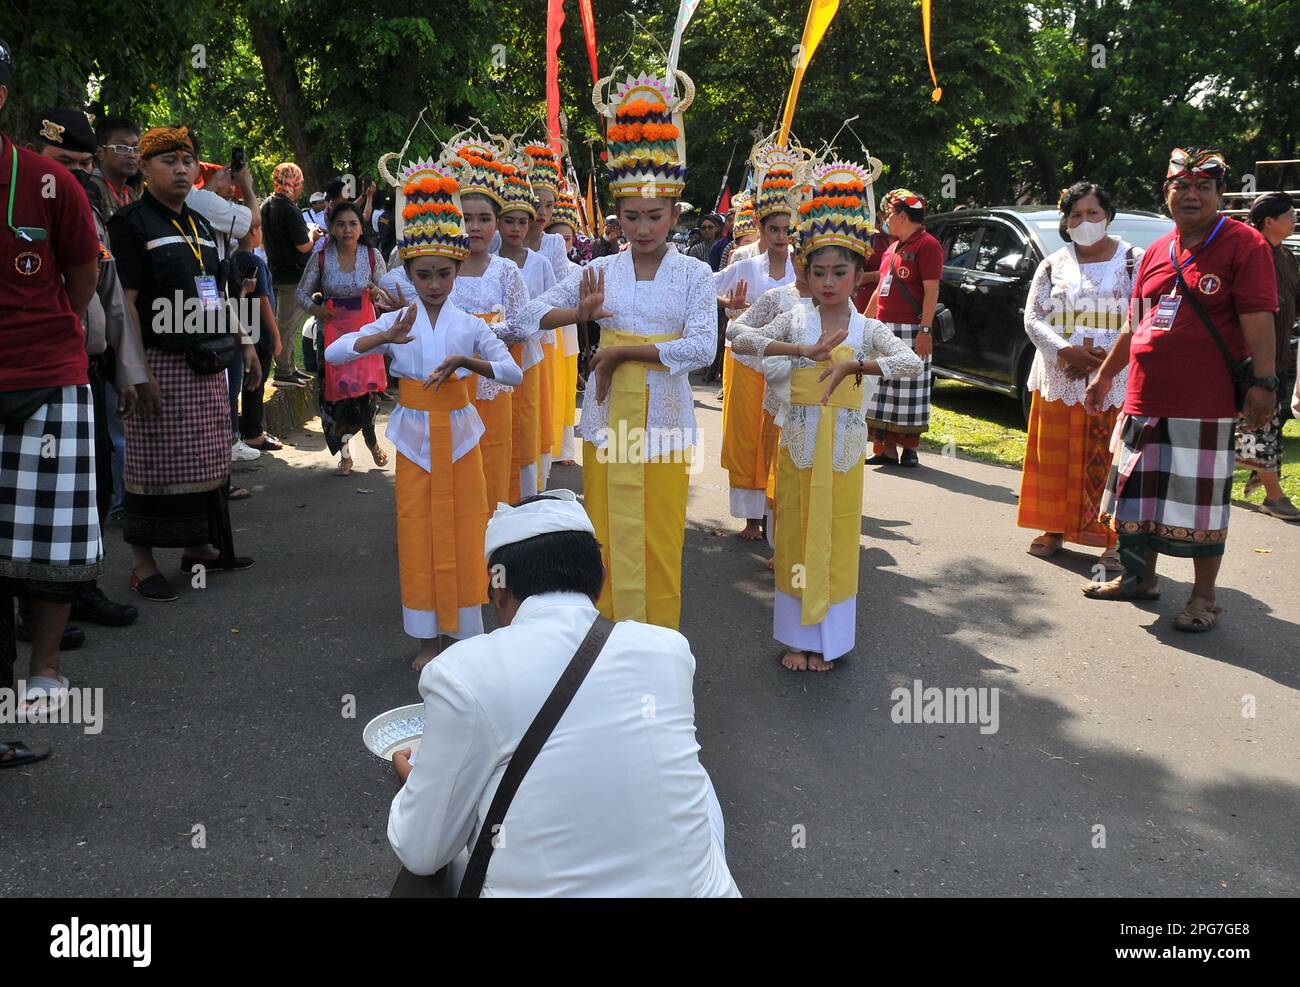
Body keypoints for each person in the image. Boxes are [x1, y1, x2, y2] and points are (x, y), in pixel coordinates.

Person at [387, 491, 740, 897]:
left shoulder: (461, 672)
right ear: (602, 580)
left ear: (499, 593)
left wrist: (412, 786)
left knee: (459, 807)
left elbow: (421, 851)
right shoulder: (668, 650)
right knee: (695, 777)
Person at [521, 65, 715, 630]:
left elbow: (702, 346)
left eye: (655, 216)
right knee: (606, 527)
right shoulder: (600, 269)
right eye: (631, 216)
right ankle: (605, 641)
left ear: (675, 214)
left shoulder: (695, 276)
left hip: (665, 420)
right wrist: (575, 314)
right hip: (609, 419)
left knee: (659, 528)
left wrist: (626, 352)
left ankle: (658, 641)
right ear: (618, 216)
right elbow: (528, 315)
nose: (643, 227)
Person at [325, 158, 521, 670]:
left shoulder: (470, 324)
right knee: (415, 529)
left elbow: (512, 373)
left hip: (460, 435)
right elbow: (333, 352)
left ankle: (465, 630)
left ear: (457, 271)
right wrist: (381, 337)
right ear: (408, 273)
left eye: (444, 274)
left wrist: (466, 362)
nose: (434, 283)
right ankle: (426, 638)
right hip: (413, 437)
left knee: (467, 525)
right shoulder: (397, 318)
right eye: (424, 274)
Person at [732, 158, 922, 672]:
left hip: (841, 450)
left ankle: (831, 641)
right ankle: (797, 637)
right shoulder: (796, 319)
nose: (829, 280)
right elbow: (737, 335)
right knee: (793, 531)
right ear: (806, 272)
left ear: (859, 274)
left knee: (837, 536)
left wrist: (855, 365)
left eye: (840, 272)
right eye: (819, 271)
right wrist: (801, 354)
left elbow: (910, 362)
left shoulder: (865, 328)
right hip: (797, 441)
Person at [1085, 147, 1279, 632]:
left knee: (1200, 502)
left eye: (1204, 187)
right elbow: (1135, 325)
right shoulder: (1155, 250)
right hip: (1144, 399)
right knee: (1137, 497)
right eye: (1182, 186)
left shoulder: (1243, 244)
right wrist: (1106, 374)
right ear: (1167, 192)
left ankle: (1203, 597)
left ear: (1218, 194)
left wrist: (1264, 383)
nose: (1192, 195)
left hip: (1205, 405)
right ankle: (1140, 578)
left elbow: (1259, 318)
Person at [108, 126, 261, 602]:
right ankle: (142, 564)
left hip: (208, 361)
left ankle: (199, 550)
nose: (179, 169)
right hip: (160, 362)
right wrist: (138, 372)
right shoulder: (131, 224)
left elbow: (218, 291)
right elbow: (126, 304)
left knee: (206, 460)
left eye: (187, 161)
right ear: (146, 169)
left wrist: (247, 343)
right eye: (167, 161)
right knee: (153, 466)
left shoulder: (197, 224)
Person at [0, 56, 104, 731]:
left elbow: (82, 277)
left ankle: (44, 669)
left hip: (49, 374)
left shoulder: (48, 180)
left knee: (55, 540)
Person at [26, 106, 151, 636]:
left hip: (88, 368)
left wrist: (127, 374)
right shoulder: (21, 205)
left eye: (78, 164)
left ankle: (78, 589)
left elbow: (111, 299)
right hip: (35, 372)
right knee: (36, 496)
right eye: (60, 161)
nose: (70, 174)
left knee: (91, 488)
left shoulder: (89, 208)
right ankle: (33, 611)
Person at [1018, 182, 1136, 570]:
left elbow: (1143, 317)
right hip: (1061, 376)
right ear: (1066, 223)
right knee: (1056, 457)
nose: (1084, 222)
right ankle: (1053, 528)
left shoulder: (1135, 261)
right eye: (1076, 216)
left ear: (1109, 216)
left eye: (1093, 214)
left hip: (1114, 378)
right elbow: (1033, 317)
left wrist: (1106, 362)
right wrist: (1065, 350)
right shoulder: (1053, 264)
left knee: (1111, 458)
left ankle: (1113, 540)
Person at [713, 142, 800, 540]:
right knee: (748, 436)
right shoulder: (744, 261)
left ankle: (777, 516)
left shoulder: (804, 265)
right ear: (761, 229)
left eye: (787, 230)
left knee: (780, 436)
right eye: (774, 229)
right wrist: (728, 303)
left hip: (790, 365)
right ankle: (751, 518)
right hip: (748, 363)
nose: (781, 236)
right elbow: (705, 290)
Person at [298, 200, 396, 475]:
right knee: (338, 395)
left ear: (360, 226)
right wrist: (316, 308)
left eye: (352, 224)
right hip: (332, 333)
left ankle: (371, 439)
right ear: (331, 227)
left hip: (365, 333)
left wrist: (378, 294)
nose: (347, 230)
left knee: (365, 393)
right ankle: (345, 454)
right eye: (340, 224)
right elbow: (301, 294)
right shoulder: (321, 256)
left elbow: (386, 294)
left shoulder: (372, 255)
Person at [494, 143, 556, 502]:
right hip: (488, 359)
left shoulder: (539, 263)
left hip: (528, 357)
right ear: (498, 222)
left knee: (526, 424)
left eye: (522, 221)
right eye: (508, 221)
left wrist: (523, 329)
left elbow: (549, 313)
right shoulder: (485, 263)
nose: (516, 229)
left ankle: (525, 498)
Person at [863, 188, 942, 467]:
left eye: (889, 214)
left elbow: (931, 291)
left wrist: (925, 330)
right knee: (882, 389)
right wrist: (862, 322)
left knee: (909, 389)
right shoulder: (892, 248)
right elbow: (879, 291)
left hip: (912, 328)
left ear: (902, 216)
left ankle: (909, 449)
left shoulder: (928, 245)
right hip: (884, 327)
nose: (886, 219)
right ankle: (883, 449)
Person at [1234, 191, 1298, 520]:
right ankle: (1273, 495)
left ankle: (1258, 477)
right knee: (1259, 423)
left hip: (1280, 355)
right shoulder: (1249, 252)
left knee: (1271, 422)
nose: (1294, 219)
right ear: (1269, 221)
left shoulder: (1286, 256)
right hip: (1249, 359)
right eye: (1289, 214)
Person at [261, 161, 322, 386]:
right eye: (300, 183)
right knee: (287, 325)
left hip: (275, 270)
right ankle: (284, 371)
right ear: (294, 184)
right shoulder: (289, 208)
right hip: (293, 275)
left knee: (283, 323)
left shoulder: (267, 204)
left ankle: (289, 367)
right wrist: (313, 235)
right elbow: (303, 247)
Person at [545, 189, 584, 466]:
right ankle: (546, 444)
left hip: (567, 334)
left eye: (567, 239)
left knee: (565, 390)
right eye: (556, 238)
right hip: (546, 333)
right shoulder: (538, 265)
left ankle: (565, 449)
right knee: (546, 389)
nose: (562, 244)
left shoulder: (577, 270)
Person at [90, 115, 141, 220]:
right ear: (100, 153)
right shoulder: (92, 188)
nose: (132, 155)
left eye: (135, 148)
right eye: (122, 148)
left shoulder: (131, 194)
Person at [720, 190, 757, 268]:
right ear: (736, 246)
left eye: (757, 243)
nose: (753, 247)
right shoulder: (729, 249)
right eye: (748, 243)